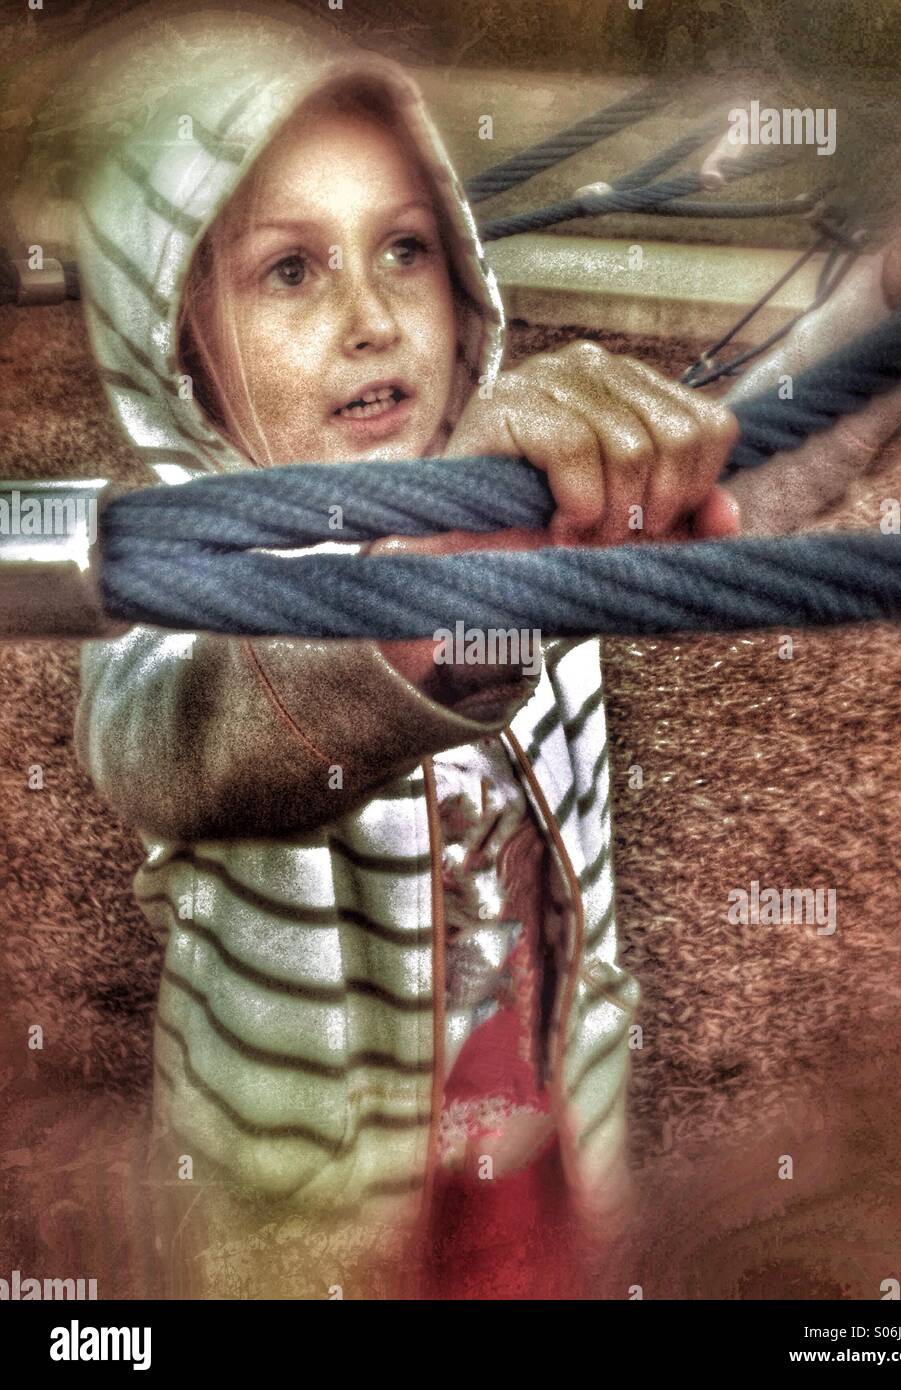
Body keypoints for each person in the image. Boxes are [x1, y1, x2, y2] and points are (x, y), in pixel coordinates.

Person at [70, 16, 740, 1299]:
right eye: (290, 272)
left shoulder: (522, 504)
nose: (374, 319)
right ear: (176, 347)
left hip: (538, 1131)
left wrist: (886, 305)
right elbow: (188, 742)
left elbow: (744, 479)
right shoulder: (159, 588)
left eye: (403, 249)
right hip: (305, 1207)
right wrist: (441, 575)